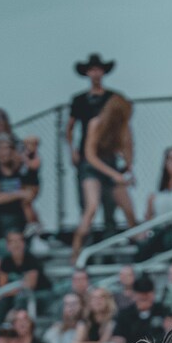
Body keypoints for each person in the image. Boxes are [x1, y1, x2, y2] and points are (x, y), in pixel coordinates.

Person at [72, 93, 139, 257]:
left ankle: (138, 244)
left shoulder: (122, 127)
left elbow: (127, 152)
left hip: (111, 167)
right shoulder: (95, 123)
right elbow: (89, 155)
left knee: (128, 208)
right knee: (92, 207)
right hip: (92, 168)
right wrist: (113, 174)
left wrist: (128, 169)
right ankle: (76, 250)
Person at [66, 52, 119, 224]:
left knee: (110, 198)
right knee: (87, 201)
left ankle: (109, 237)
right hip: (86, 154)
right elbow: (70, 126)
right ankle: (86, 239)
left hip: (107, 153)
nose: (95, 74)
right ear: (87, 73)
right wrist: (72, 150)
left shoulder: (112, 98)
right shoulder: (79, 100)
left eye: (98, 70)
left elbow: (120, 125)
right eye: (92, 70)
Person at [0, 134, 39, 248]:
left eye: (7, 148)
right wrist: (19, 194)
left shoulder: (20, 168)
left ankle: (34, 236)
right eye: (1, 149)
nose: (5, 152)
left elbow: (31, 193)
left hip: (18, 216)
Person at [113, 274, 169, 343]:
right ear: (134, 294)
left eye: (147, 293)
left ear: (153, 294)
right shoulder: (125, 314)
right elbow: (118, 339)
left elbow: (170, 331)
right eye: (141, 294)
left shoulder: (163, 311)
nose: (144, 297)